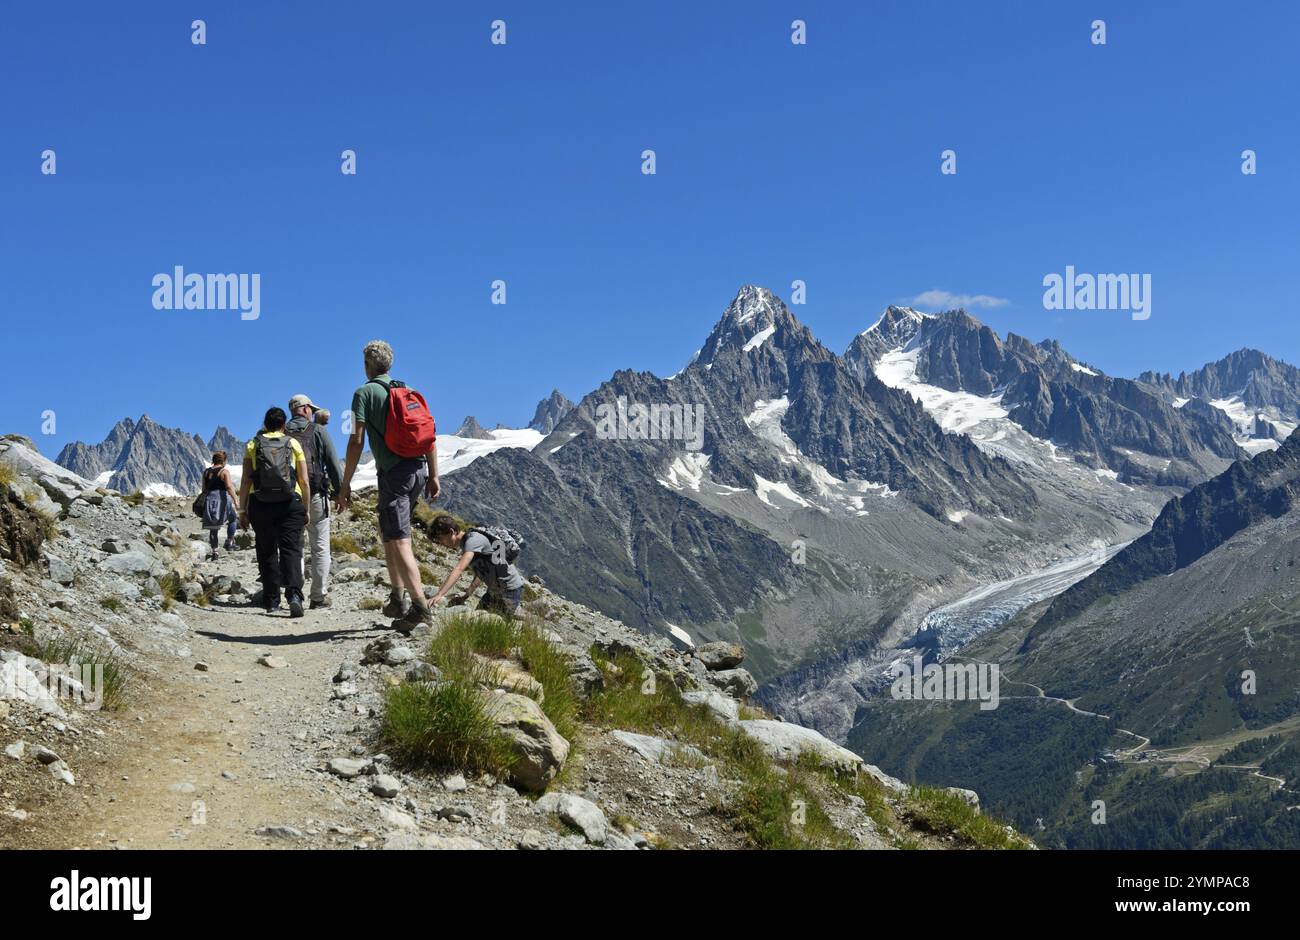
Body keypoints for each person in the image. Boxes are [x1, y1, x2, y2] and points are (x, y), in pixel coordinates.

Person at [337, 340, 440, 632]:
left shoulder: (364, 393)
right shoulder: (407, 391)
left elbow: (356, 440)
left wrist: (345, 484)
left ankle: (420, 607)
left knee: (400, 539)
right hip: (418, 469)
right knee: (389, 532)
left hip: (394, 473)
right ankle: (397, 597)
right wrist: (434, 476)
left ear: (367, 364)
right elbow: (429, 433)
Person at [238, 407, 311, 618]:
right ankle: (294, 596)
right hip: (290, 502)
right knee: (291, 550)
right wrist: (305, 508)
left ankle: (272, 601)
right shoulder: (293, 443)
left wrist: (242, 510)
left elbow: (245, 480)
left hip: (260, 502)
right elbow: (304, 481)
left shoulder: (253, 444)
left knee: (266, 550)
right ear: (283, 425)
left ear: (265, 423)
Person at [286, 394, 344, 609]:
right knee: (319, 547)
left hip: (288, 497)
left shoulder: (281, 432)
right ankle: (318, 597)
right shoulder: (318, 431)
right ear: (305, 409)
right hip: (316, 494)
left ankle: (295, 594)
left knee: (295, 546)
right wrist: (340, 492)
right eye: (311, 408)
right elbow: (332, 463)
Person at [426, 515, 526, 617]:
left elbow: (459, 568)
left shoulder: (472, 541)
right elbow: (481, 571)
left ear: (452, 532)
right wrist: (466, 595)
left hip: (510, 589)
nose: (442, 543)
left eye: (441, 538)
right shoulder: (466, 543)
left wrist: (440, 594)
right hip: (494, 589)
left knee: (496, 624)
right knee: (478, 620)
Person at [200, 452, 239, 559]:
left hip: (209, 500)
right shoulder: (224, 472)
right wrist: (235, 500)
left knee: (213, 527)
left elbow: (204, 489)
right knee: (233, 519)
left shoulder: (206, 472)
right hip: (222, 500)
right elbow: (229, 487)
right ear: (224, 461)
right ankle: (229, 541)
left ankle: (215, 552)